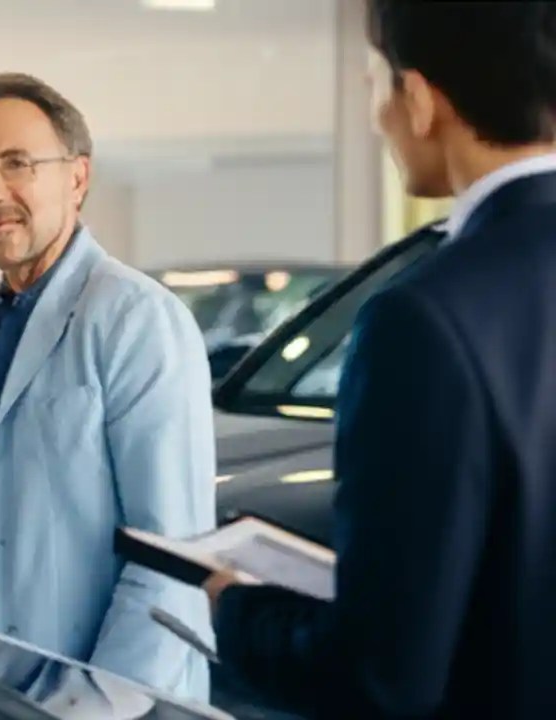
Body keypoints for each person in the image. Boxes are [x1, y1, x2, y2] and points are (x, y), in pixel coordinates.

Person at [204, 3, 556, 718]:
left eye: (375, 82)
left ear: (421, 100)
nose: (375, 115)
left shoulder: (425, 316)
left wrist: (234, 607)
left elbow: (381, 678)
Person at [0, 72, 216, 700]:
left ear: (77, 177)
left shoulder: (135, 318)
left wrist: (87, 708)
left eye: (16, 164)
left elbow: (172, 563)